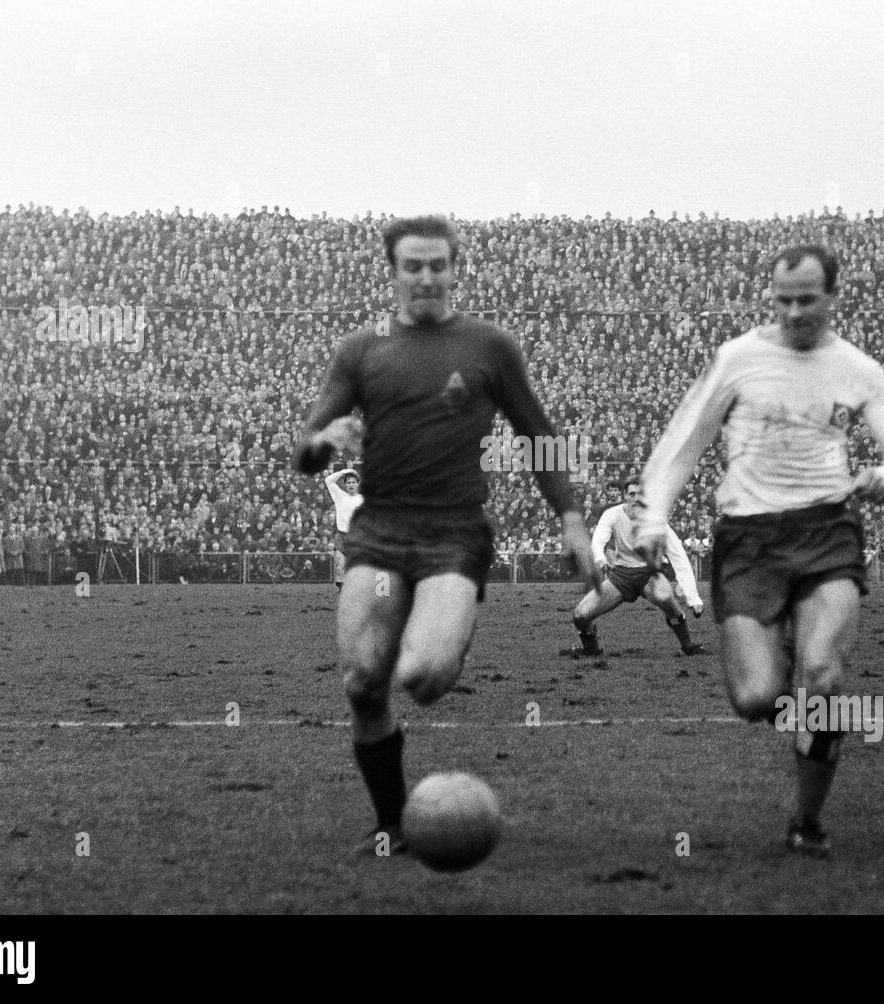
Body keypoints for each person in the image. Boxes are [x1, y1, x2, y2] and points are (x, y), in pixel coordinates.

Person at [292, 216, 598, 856]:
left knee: (425, 678)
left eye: (437, 265)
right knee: (361, 681)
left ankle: (432, 630)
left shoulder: (489, 347)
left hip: (453, 536)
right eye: (413, 266)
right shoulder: (361, 351)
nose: (426, 277)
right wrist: (322, 442)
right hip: (378, 533)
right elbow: (307, 447)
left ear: (455, 267)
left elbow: (539, 435)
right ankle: (393, 823)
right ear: (394, 271)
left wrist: (570, 517)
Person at [637, 244, 884, 858]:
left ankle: (807, 821)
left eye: (808, 299)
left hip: (828, 531)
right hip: (749, 539)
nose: (795, 312)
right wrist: (655, 515)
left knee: (823, 678)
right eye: (783, 299)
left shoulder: (858, 369)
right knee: (756, 699)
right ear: (771, 296)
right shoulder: (739, 359)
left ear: (831, 297)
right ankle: (804, 699)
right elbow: (682, 443)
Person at [571, 480, 706, 657]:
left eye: (640, 494)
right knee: (580, 615)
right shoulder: (612, 514)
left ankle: (688, 645)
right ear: (624, 496)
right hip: (621, 575)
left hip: (649, 574)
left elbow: (678, 556)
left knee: (666, 598)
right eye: (631, 494)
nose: (636, 499)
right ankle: (591, 648)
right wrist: (601, 559)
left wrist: (693, 597)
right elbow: (598, 541)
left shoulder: (656, 521)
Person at [323, 468, 363, 588]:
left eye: (353, 482)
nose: (351, 484)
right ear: (345, 485)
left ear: (358, 483)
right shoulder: (339, 496)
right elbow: (328, 480)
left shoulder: (362, 499)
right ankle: (341, 593)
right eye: (348, 482)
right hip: (342, 535)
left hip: (358, 537)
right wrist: (344, 472)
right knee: (340, 566)